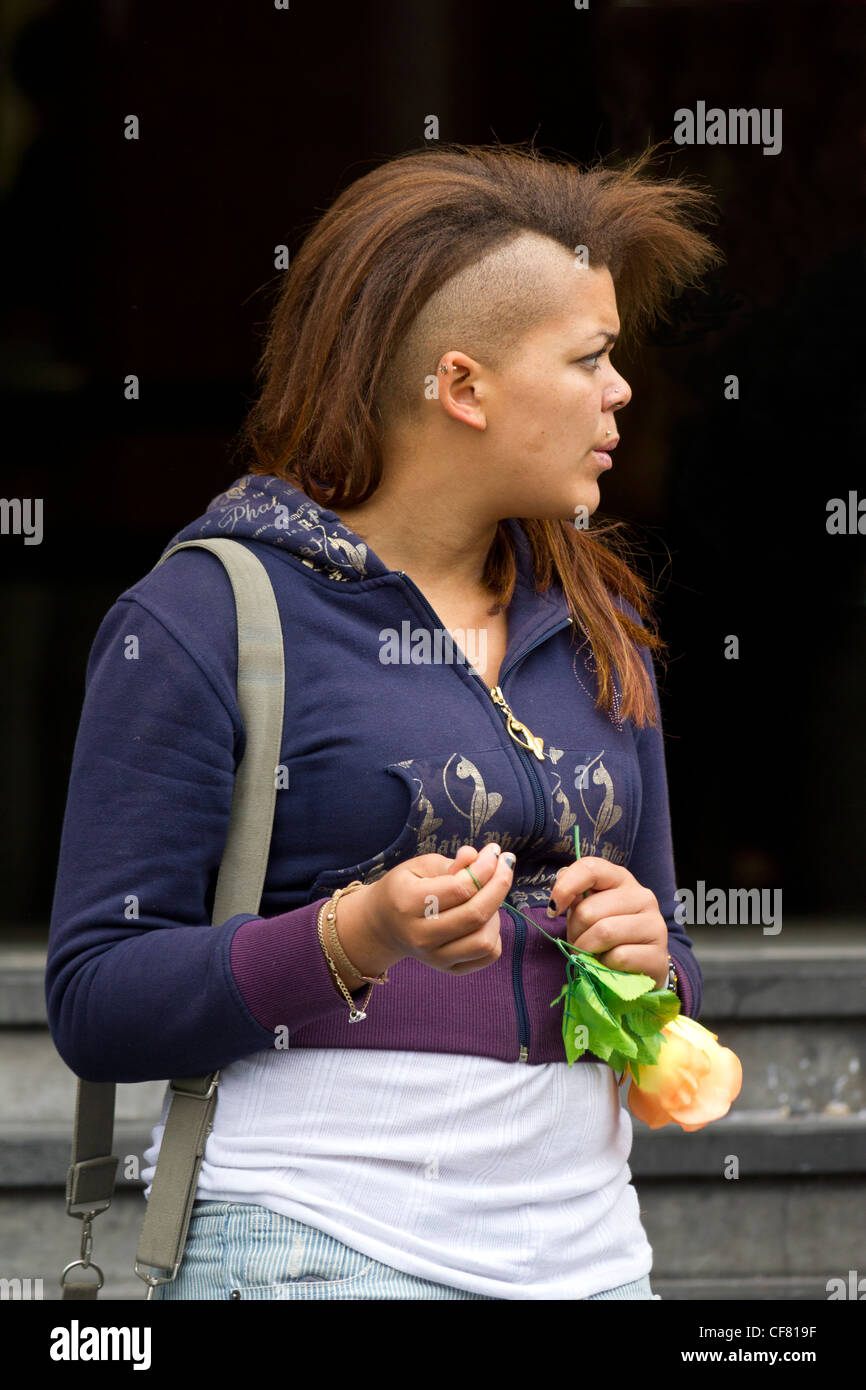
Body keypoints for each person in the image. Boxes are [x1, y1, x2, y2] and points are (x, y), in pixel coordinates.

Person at [46, 140, 723, 1300]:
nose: (622, 391)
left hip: (590, 1257)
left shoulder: (598, 616)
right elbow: (97, 1000)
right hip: (310, 1247)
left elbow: (666, 961)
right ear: (459, 387)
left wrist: (656, 957)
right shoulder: (208, 616)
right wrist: (348, 936)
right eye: (590, 358)